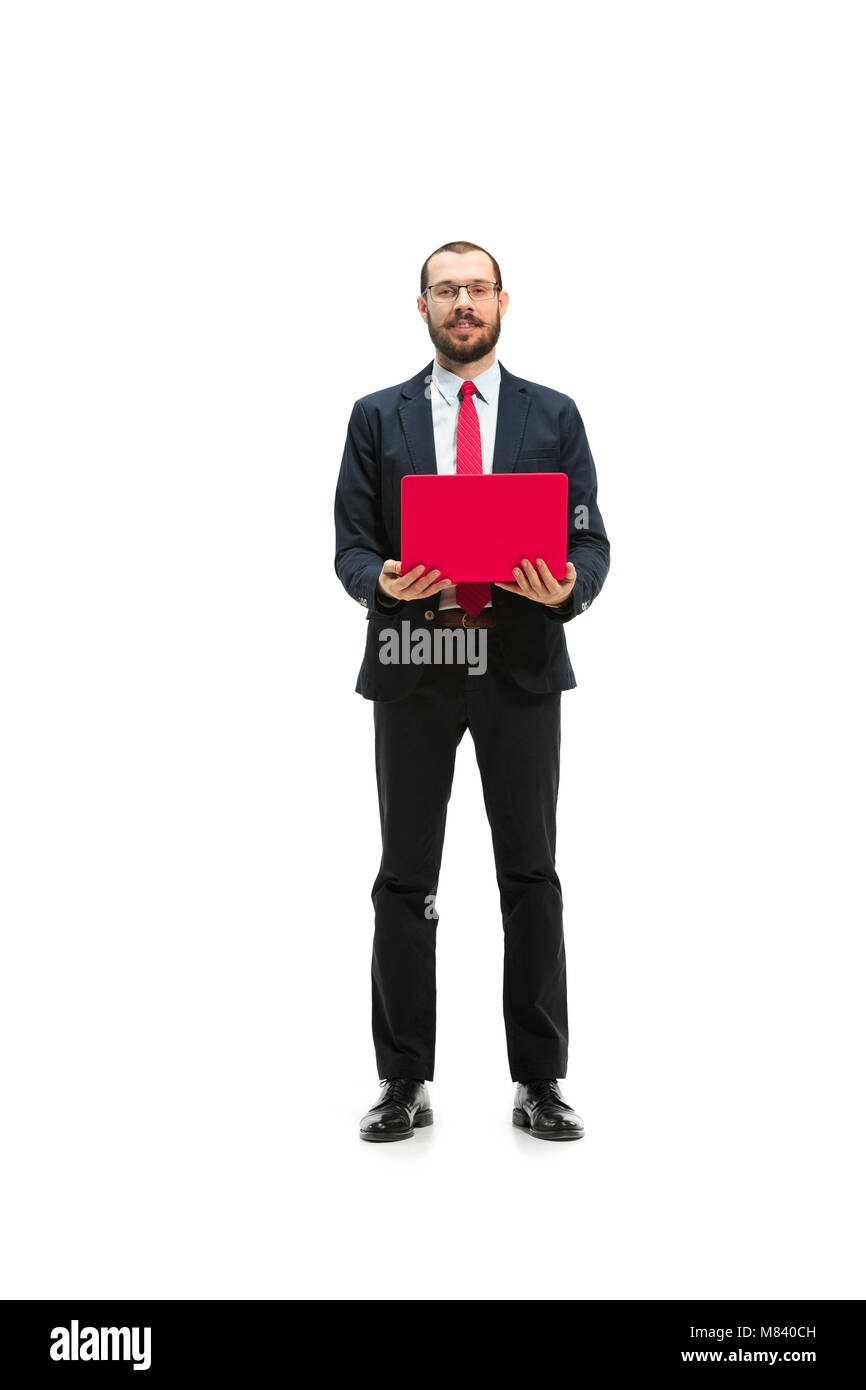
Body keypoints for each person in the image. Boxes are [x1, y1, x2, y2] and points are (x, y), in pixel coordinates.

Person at [333, 241, 610, 1142]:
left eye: (477, 289)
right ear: (421, 307)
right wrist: (384, 583)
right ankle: (403, 1078)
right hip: (415, 660)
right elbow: (351, 546)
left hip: (519, 665)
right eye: (446, 290)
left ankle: (540, 1080)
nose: (463, 303)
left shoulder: (552, 415)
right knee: (404, 879)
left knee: (531, 876)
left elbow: (591, 543)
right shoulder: (378, 417)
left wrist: (566, 586)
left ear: (502, 301)